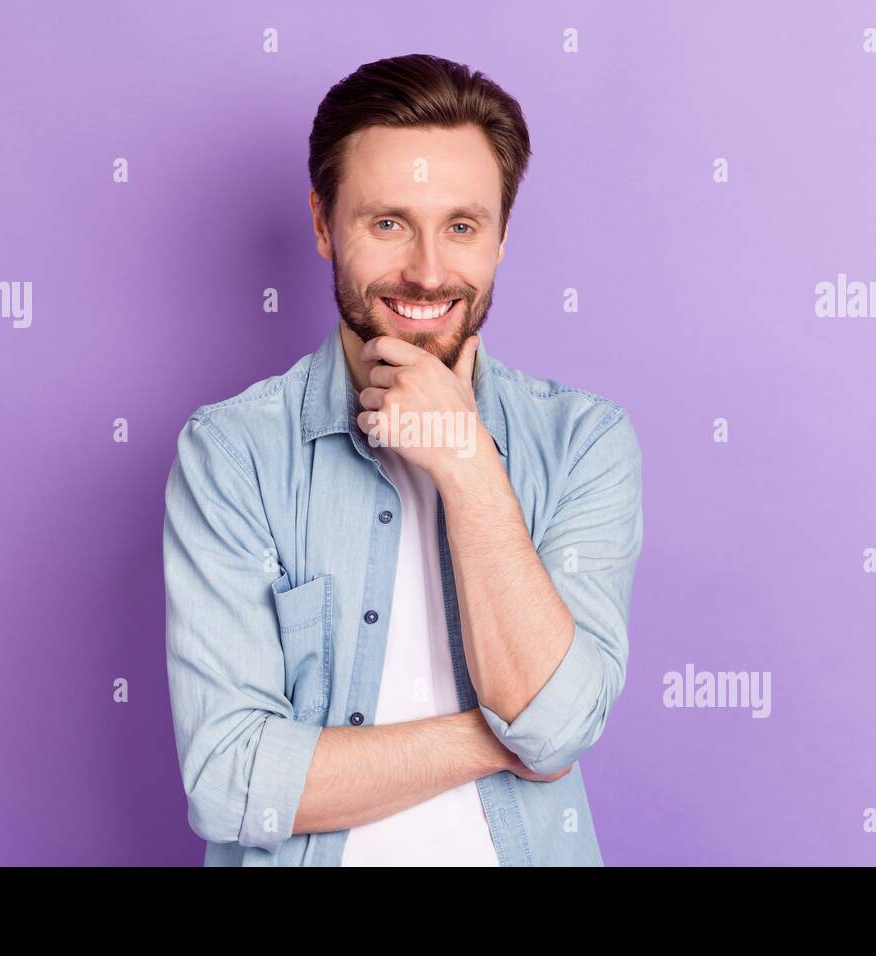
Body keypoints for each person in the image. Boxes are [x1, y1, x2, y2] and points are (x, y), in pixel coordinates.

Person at [163, 53, 643, 866]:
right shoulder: (232, 452)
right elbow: (231, 778)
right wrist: (503, 734)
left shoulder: (585, 442)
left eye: (462, 226)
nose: (427, 269)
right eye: (388, 222)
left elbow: (560, 726)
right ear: (322, 225)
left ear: (500, 239)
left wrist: (464, 462)